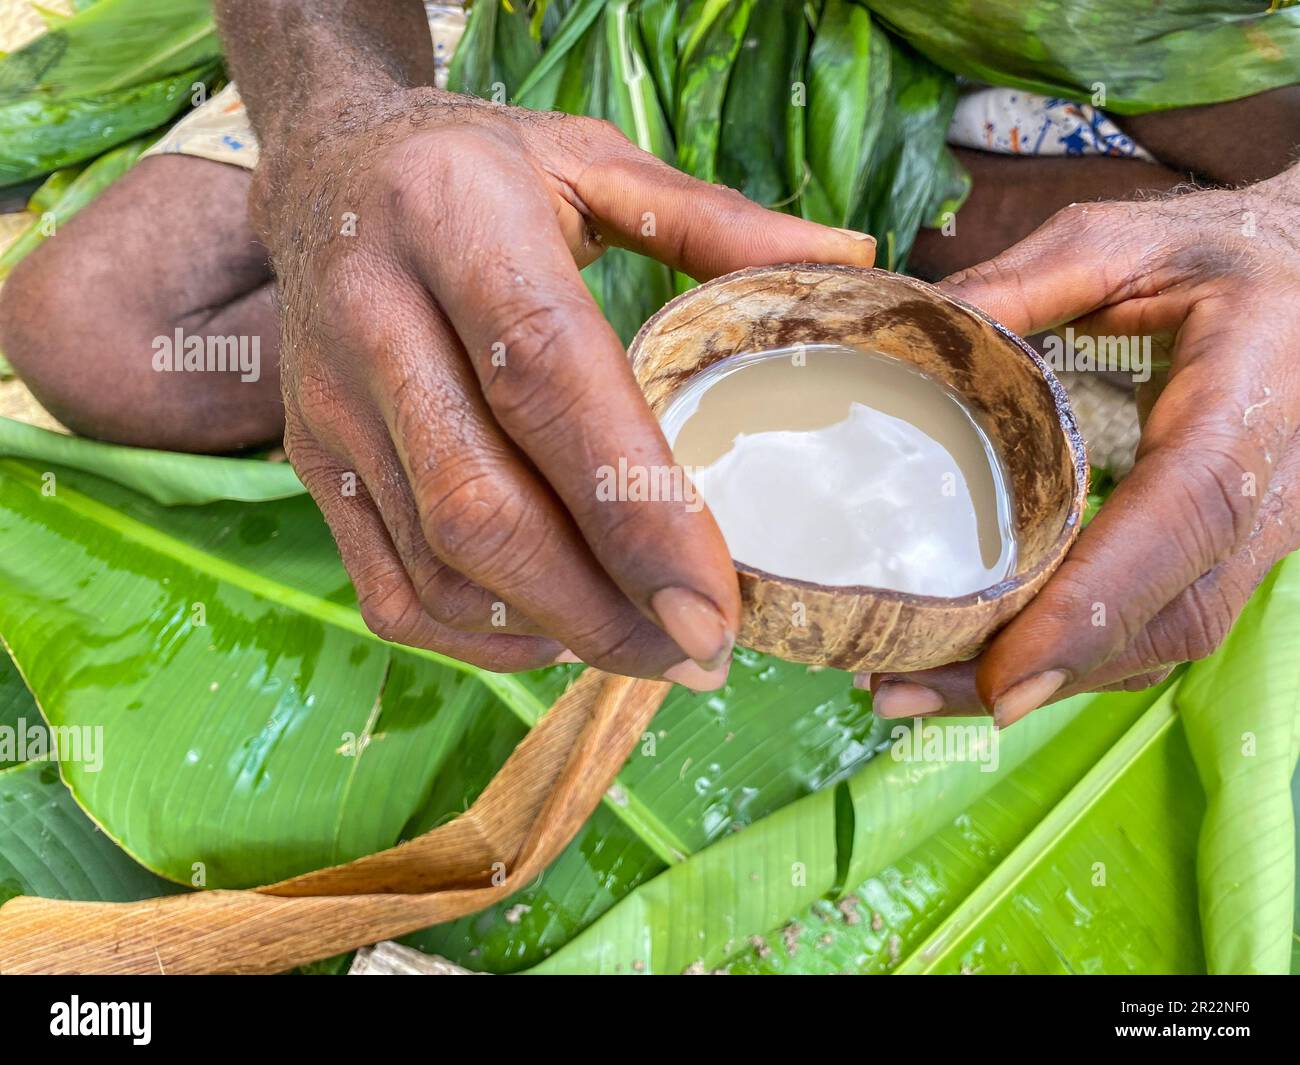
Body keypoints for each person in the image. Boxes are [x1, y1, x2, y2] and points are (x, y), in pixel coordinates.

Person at [1, 1, 1297, 726]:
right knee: (98, 328)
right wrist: (339, 123)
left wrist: (1283, 225)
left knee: (1175, 334)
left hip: (1113, 36)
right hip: (625, 23)